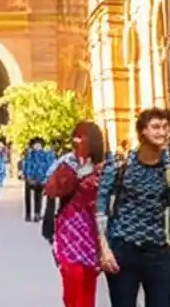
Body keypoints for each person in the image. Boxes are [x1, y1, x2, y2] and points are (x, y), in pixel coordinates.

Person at [96, 108, 170, 307]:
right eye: (156, 127)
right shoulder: (121, 165)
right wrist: (104, 249)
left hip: (157, 253)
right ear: (142, 132)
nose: (163, 132)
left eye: (166, 127)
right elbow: (100, 208)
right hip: (123, 250)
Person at [43, 122, 105, 307]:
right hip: (68, 230)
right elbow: (51, 190)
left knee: (88, 287)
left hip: (93, 232)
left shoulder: (104, 168)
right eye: (76, 136)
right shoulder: (66, 163)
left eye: (83, 136)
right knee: (72, 283)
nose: (78, 140)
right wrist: (73, 176)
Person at [22, 138, 54, 222]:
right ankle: (28, 214)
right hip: (29, 177)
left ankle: (37, 213)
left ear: (42, 146)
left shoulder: (45, 154)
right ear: (32, 146)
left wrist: (46, 177)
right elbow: (25, 164)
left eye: (39, 145)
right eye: (35, 145)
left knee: (38, 196)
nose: (37, 146)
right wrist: (24, 174)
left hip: (40, 178)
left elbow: (49, 164)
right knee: (27, 197)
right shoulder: (29, 154)